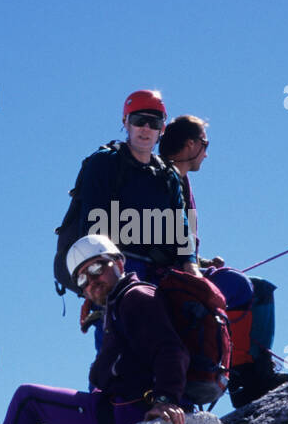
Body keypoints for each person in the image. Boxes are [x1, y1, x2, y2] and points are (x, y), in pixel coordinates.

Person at [0, 234, 189, 424]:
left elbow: (169, 348)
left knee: (27, 400)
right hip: (119, 408)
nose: (91, 281)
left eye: (97, 268)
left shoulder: (136, 297)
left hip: (126, 413)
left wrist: (166, 399)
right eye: (81, 279)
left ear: (120, 264)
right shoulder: (119, 304)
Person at [160, 115, 288, 408]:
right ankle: (245, 380)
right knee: (239, 286)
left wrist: (202, 260)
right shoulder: (165, 180)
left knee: (260, 289)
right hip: (171, 276)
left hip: (183, 268)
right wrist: (191, 265)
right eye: (205, 144)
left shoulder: (181, 180)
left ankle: (253, 374)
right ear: (190, 144)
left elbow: (174, 238)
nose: (206, 152)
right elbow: (160, 238)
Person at [73, 90, 196, 285]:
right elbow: (93, 224)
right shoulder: (105, 163)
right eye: (139, 120)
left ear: (161, 129)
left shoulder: (168, 175)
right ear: (126, 123)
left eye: (154, 123)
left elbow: (181, 226)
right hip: (119, 266)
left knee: (241, 286)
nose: (146, 129)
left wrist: (191, 265)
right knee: (146, 303)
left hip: (164, 271)